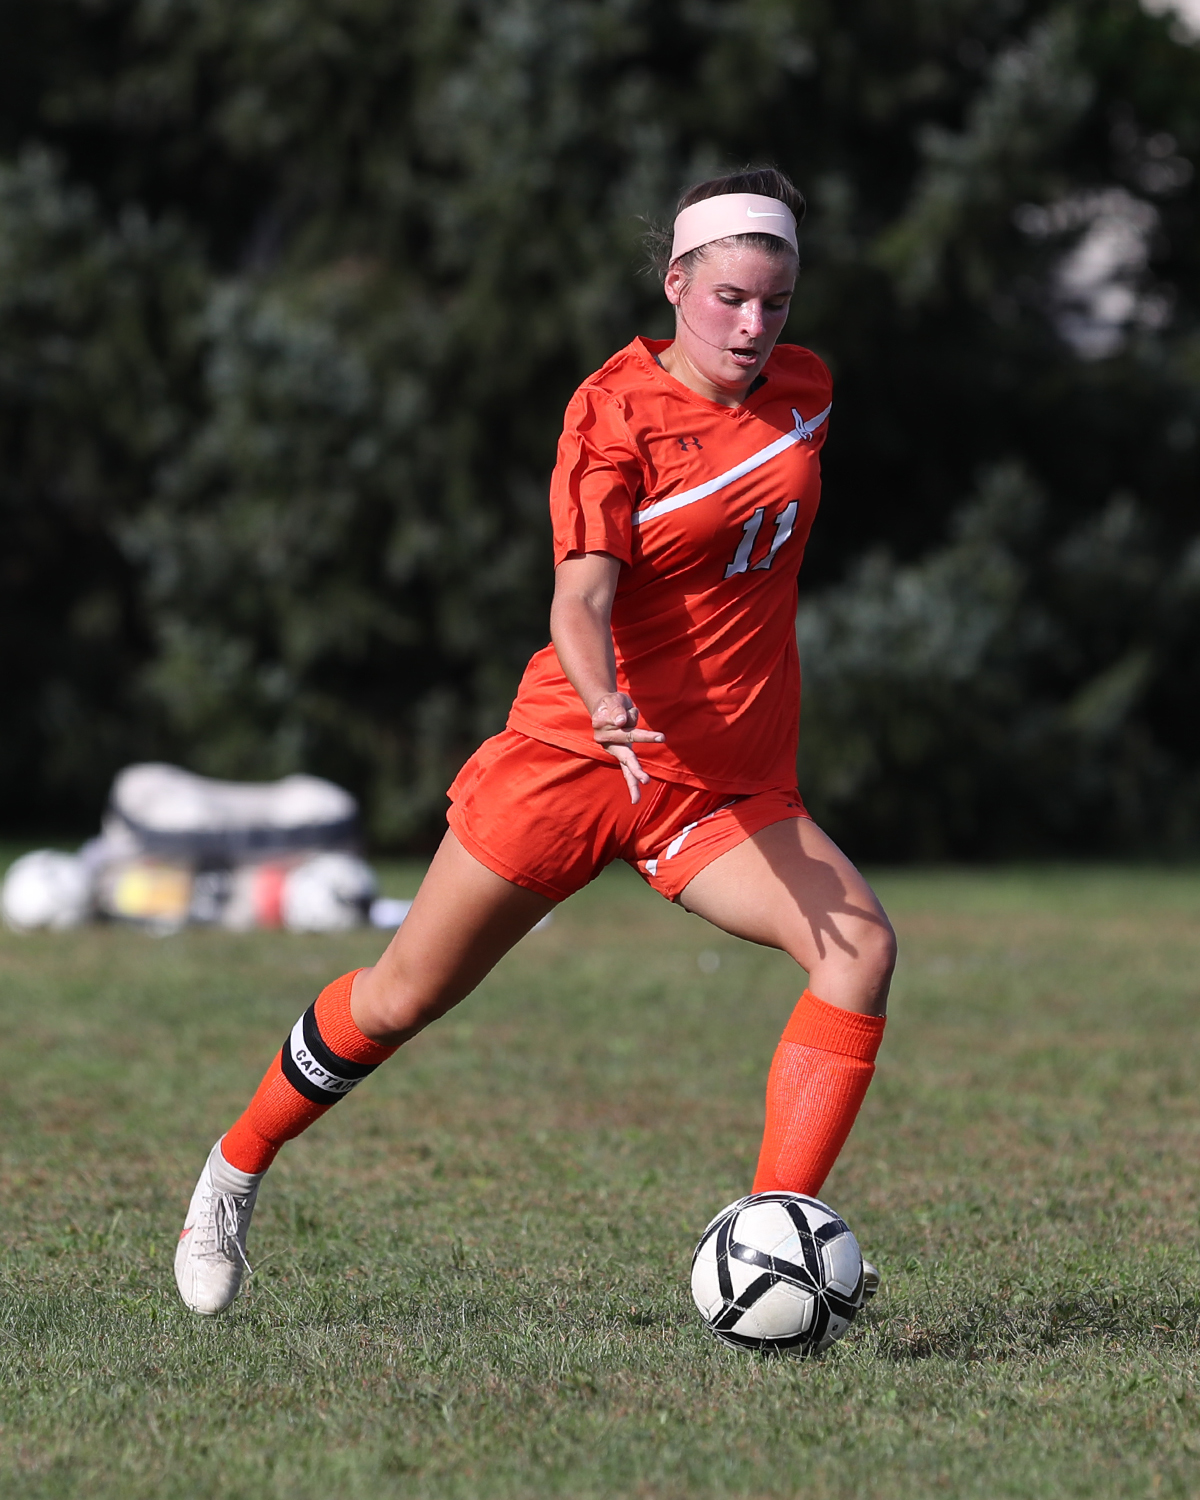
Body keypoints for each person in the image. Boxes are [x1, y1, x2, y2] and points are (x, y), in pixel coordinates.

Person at [174, 166, 897, 1317]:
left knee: (858, 951)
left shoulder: (804, 390)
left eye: (776, 302)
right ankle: (232, 1171)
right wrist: (605, 693)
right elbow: (579, 598)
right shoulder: (612, 409)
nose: (754, 326)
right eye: (729, 300)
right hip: (574, 755)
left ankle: (769, 1248)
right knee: (401, 995)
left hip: (717, 789)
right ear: (675, 283)